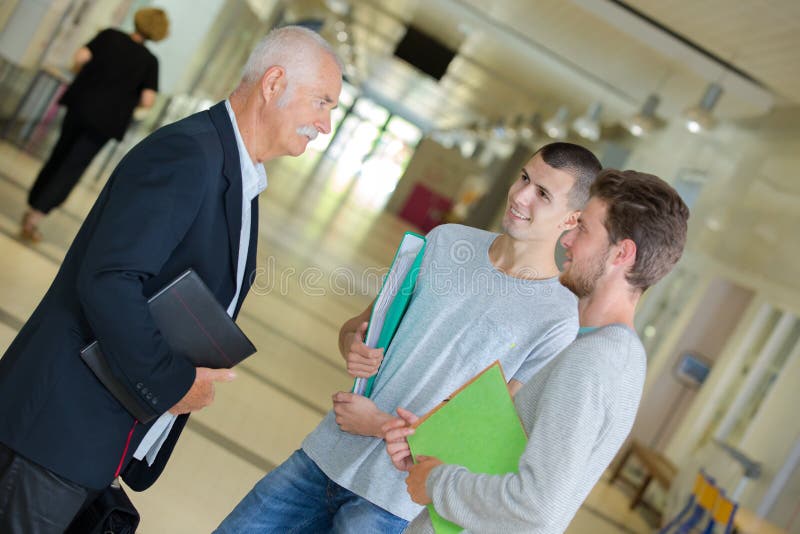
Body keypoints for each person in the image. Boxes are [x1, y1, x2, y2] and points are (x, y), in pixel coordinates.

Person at [0, 26, 342, 533]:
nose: (325, 123)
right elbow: (110, 279)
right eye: (322, 102)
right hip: (55, 432)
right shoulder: (189, 156)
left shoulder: (234, 171)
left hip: (93, 439)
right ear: (273, 84)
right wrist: (173, 383)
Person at [216, 143, 602, 532]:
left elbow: (483, 433)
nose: (520, 196)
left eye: (542, 194)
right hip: (324, 455)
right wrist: (354, 344)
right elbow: (360, 326)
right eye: (524, 178)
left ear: (571, 218)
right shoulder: (446, 242)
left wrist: (380, 425)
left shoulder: (557, 318)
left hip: (392, 503)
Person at [384, 169, 690, 533]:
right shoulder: (620, 355)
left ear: (621, 253)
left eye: (584, 229)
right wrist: (438, 454)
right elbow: (523, 462)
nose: (567, 239)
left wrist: (437, 482)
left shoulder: (592, 362)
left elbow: (534, 507)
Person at [20, 7, 169, 242]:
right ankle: (36, 215)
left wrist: (85, 76)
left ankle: (34, 200)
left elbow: (80, 58)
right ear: (159, 33)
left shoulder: (109, 35)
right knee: (73, 166)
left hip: (79, 105)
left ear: (138, 20)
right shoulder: (150, 62)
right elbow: (148, 101)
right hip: (106, 123)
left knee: (59, 154)